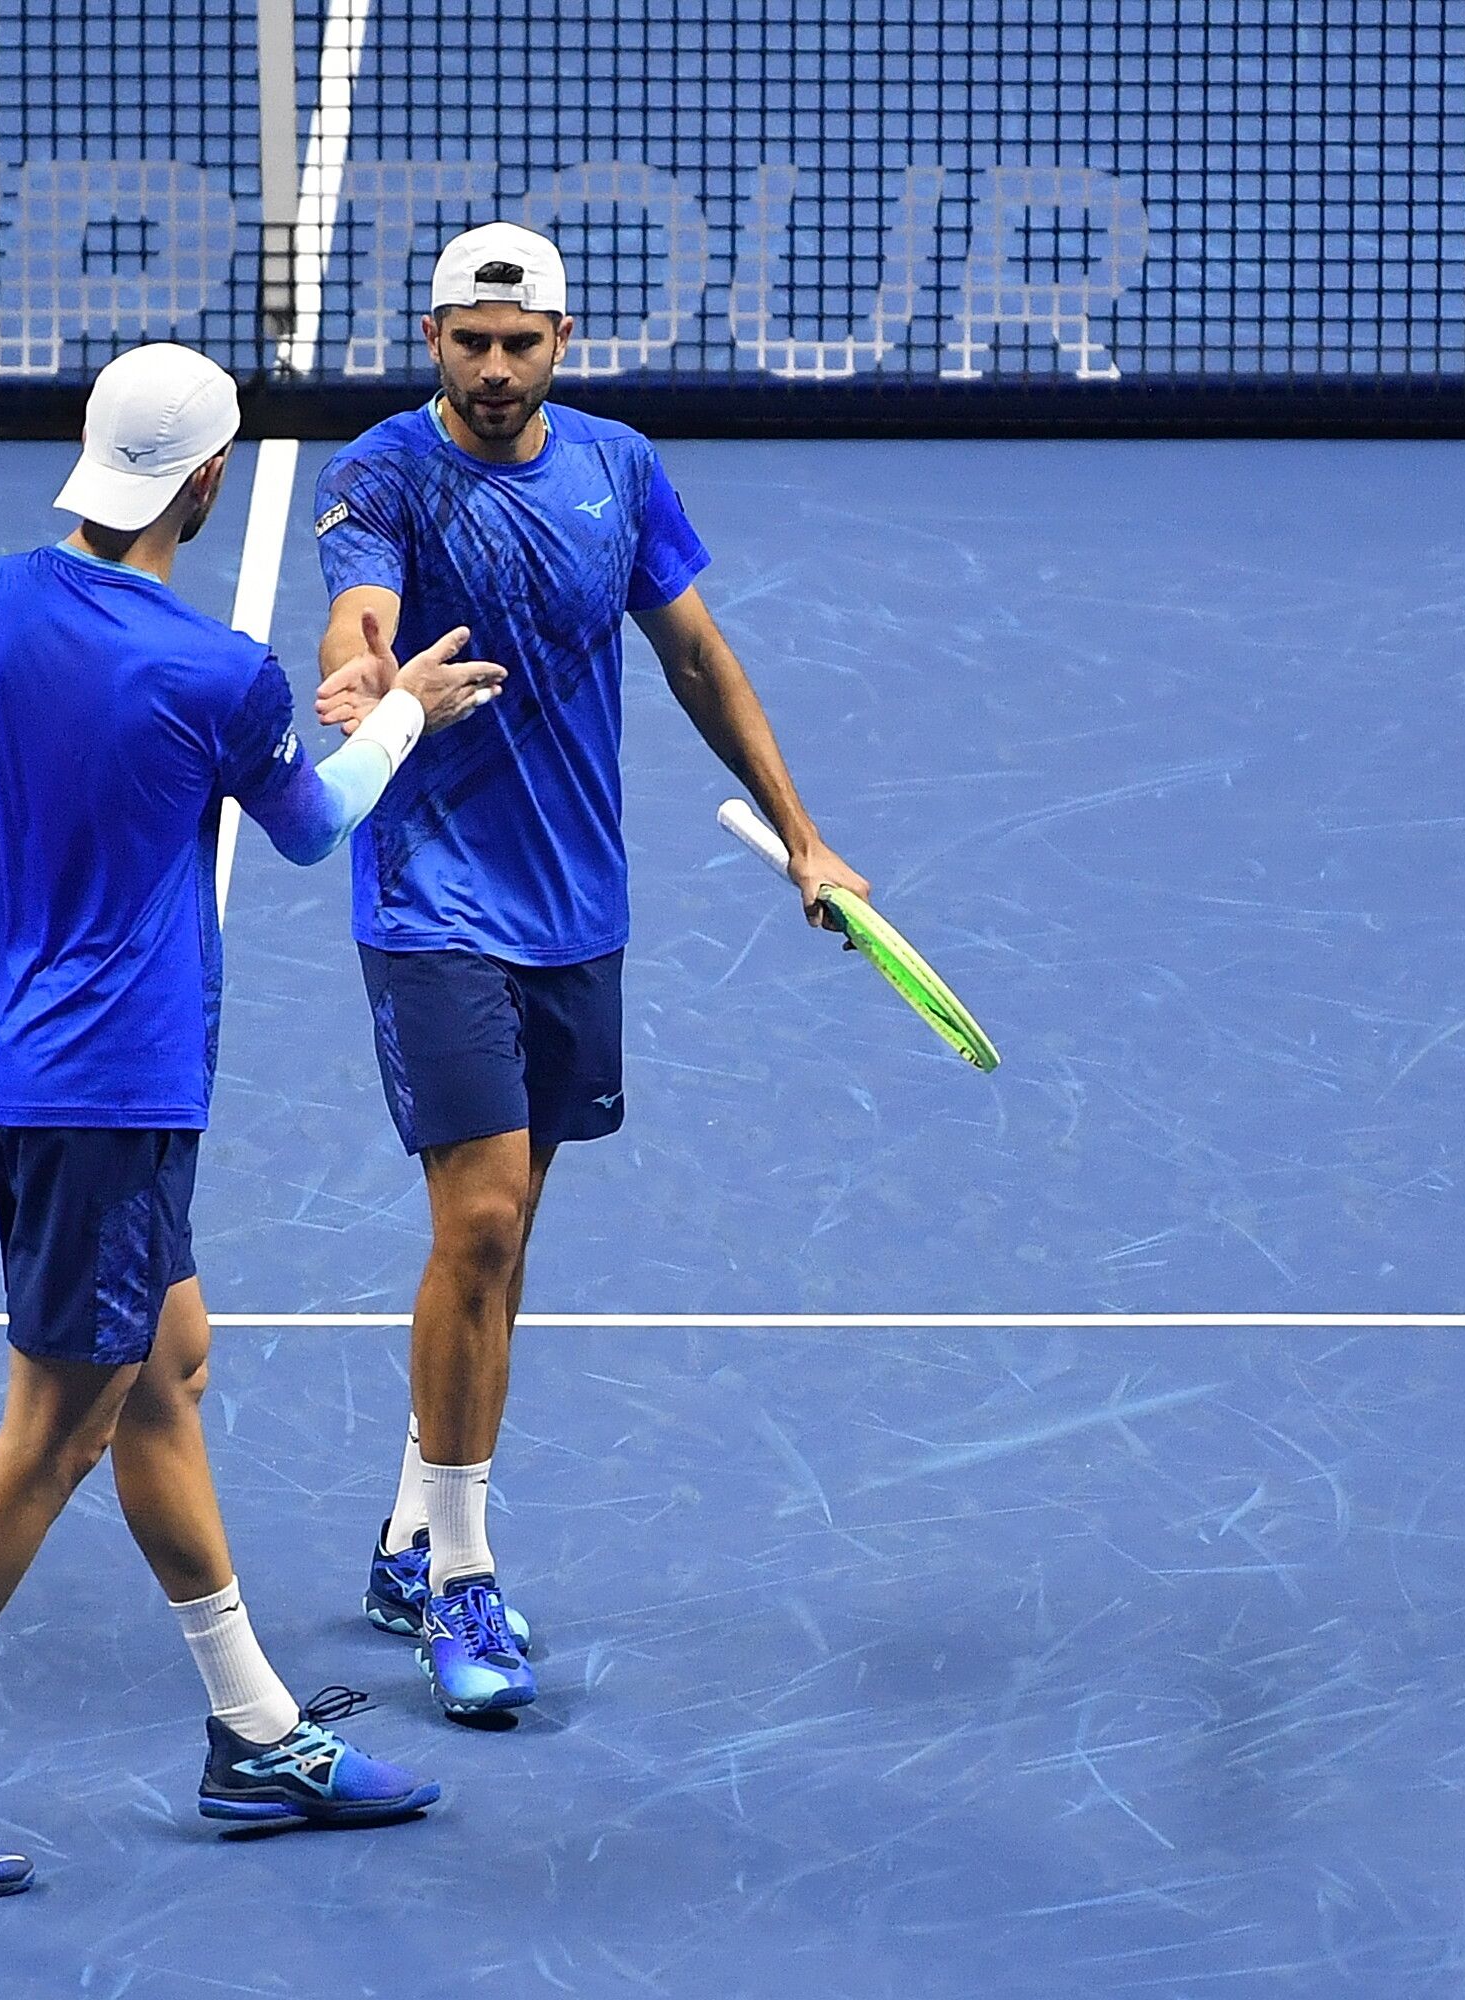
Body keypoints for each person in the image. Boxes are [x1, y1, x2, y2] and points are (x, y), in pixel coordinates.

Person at [0, 342, 504, 1897]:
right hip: (114, 1095)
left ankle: (253, 1727)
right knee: (58, 1430)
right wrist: (407, 715)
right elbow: (314, 829)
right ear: (214, 482)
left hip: (10, 1076)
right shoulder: (213, 675)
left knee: (165, 1371)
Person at [312, 224, 870, 1718]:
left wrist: (807, 841)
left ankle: (409, 1517)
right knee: (481, 1221)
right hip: (432, 905)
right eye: (468, 342)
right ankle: (463, 1582)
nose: (495, 370)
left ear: (562, 340)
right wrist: (372, 680)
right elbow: (359, 614)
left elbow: (695, 654)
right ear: (432, 338)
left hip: (577, 909)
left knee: (500, 1240)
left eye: (522, 343)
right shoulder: (382, 471)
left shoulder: (620, 469)